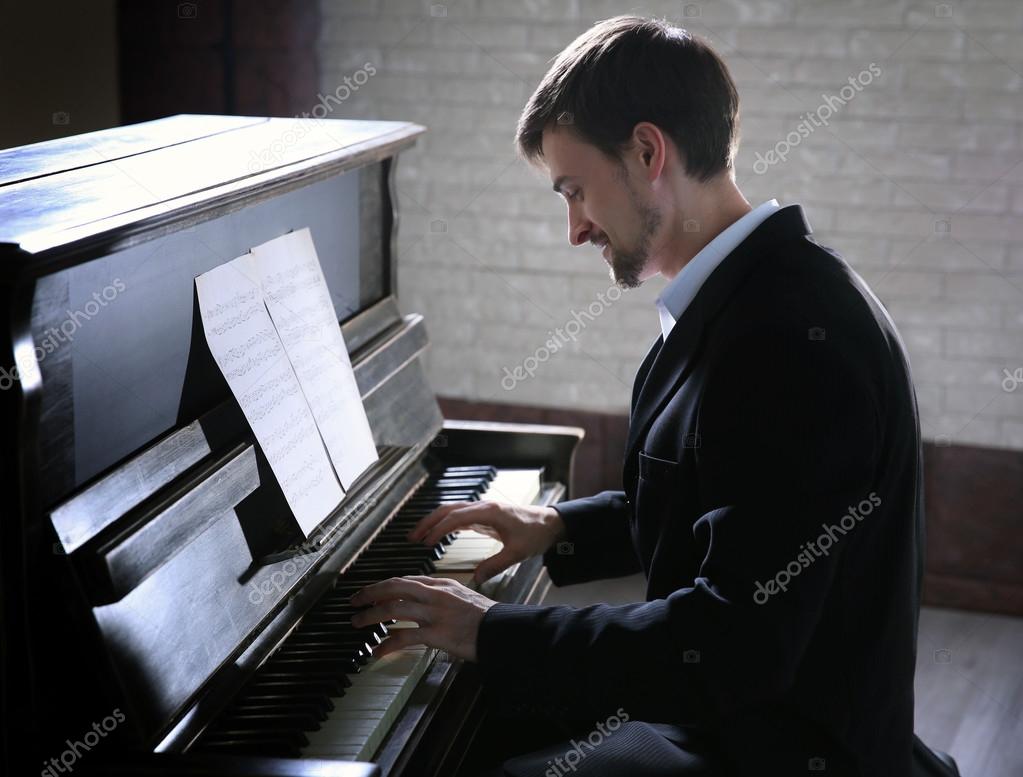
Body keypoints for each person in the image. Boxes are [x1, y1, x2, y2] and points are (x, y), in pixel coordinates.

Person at [350, 15, 923, 777]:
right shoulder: (750, 293)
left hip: (780, 747)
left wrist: (489, 629)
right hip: (739, 711)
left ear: (648, 152)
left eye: (575, 190)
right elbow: (730, 505)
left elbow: (732, 645)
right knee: (467, 715)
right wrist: (557, 525)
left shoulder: (787, 338)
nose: (574, 228)